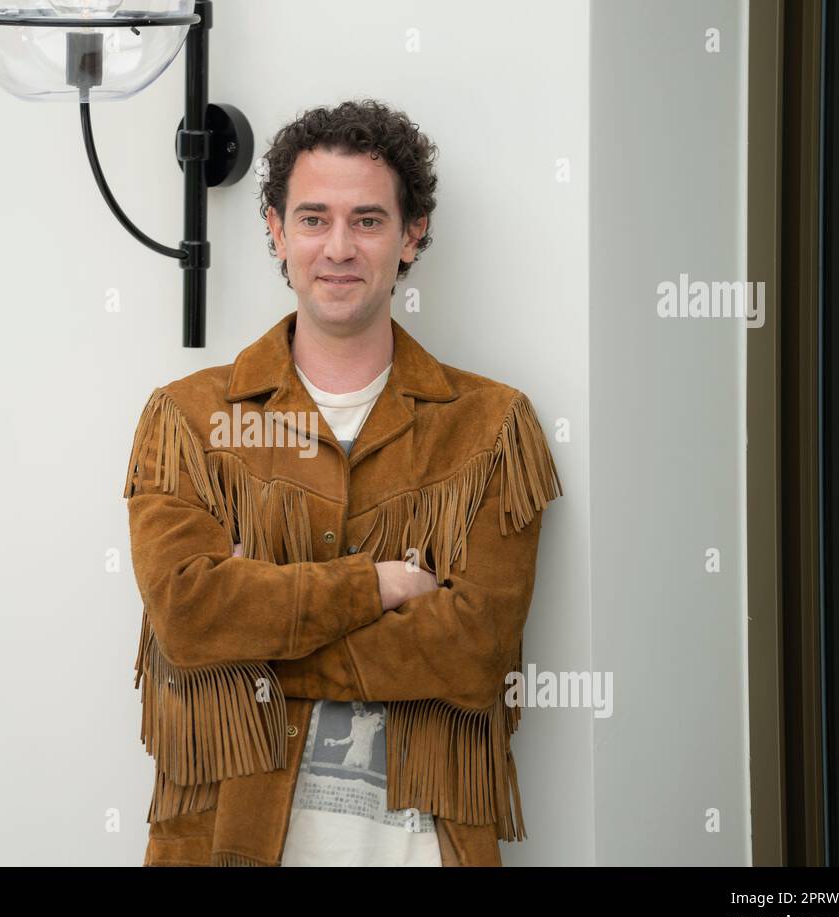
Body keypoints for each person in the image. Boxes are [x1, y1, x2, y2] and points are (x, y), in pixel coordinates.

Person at [124, 99, 562, 866]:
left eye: (367, 220)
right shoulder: (189, 420)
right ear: (274, 230)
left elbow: (474, 650)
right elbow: (191, 618)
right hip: (227, 843)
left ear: (411, 235)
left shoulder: (491, 427)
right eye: (313, 218)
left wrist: (258, 635)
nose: (338, 248)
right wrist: (380, 587)